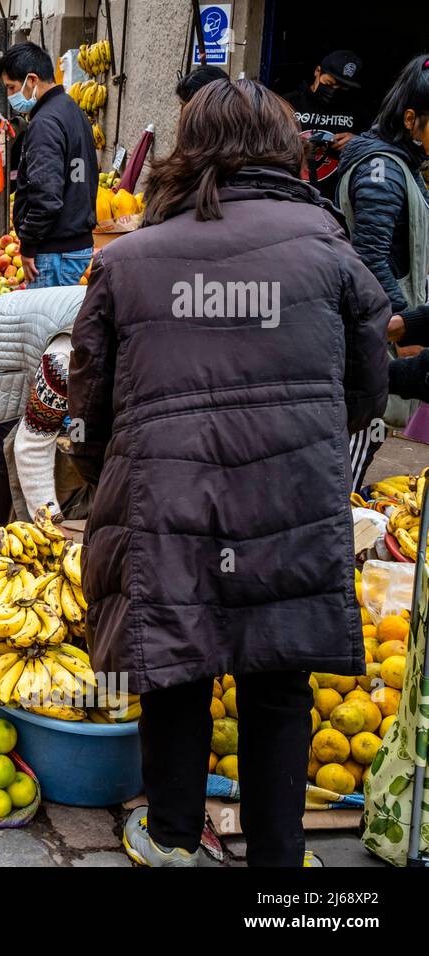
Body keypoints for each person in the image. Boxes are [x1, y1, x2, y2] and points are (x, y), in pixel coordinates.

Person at [68, 79, 390, 868]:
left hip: (167, 496)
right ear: (284, 148)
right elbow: (366, 388)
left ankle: (172, 836)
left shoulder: (130, 258)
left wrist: (110, 462)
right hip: (291, 494)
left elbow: (88, 396)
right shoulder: (331, 253)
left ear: (188, 148)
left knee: (173, 662)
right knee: (278, 669)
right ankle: (281, 860)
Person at [336, 54, 429, 473]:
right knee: (356, 442)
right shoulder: (382, 171)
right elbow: (370, 256)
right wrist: (405, 324)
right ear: (411, 118)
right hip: (377, 333)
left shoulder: (403, 166)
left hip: (388, 330)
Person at [0, 285, 88, 532]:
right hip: (6, 336)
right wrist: (50, 522)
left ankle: (10, 526)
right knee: (11, 440)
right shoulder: (63, 361)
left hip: (39, 324)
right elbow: (32, 444)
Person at [1, 42, 98, 287]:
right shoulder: (72, 110)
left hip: (55, 251)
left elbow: (46, 195)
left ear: (31, 80)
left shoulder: (45, 123)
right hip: (73, 244)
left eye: (12, 87)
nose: (10, 96)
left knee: (48, 325)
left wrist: (30, 244)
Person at [285, 50, 366, 203]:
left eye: (342, 89)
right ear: (317, 71)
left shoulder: (357, 112)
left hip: (336, 200)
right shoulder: (288, 103)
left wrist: (358, 141)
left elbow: (376, 144)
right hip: (291, 195)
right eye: (329, 84)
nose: (333, 91)